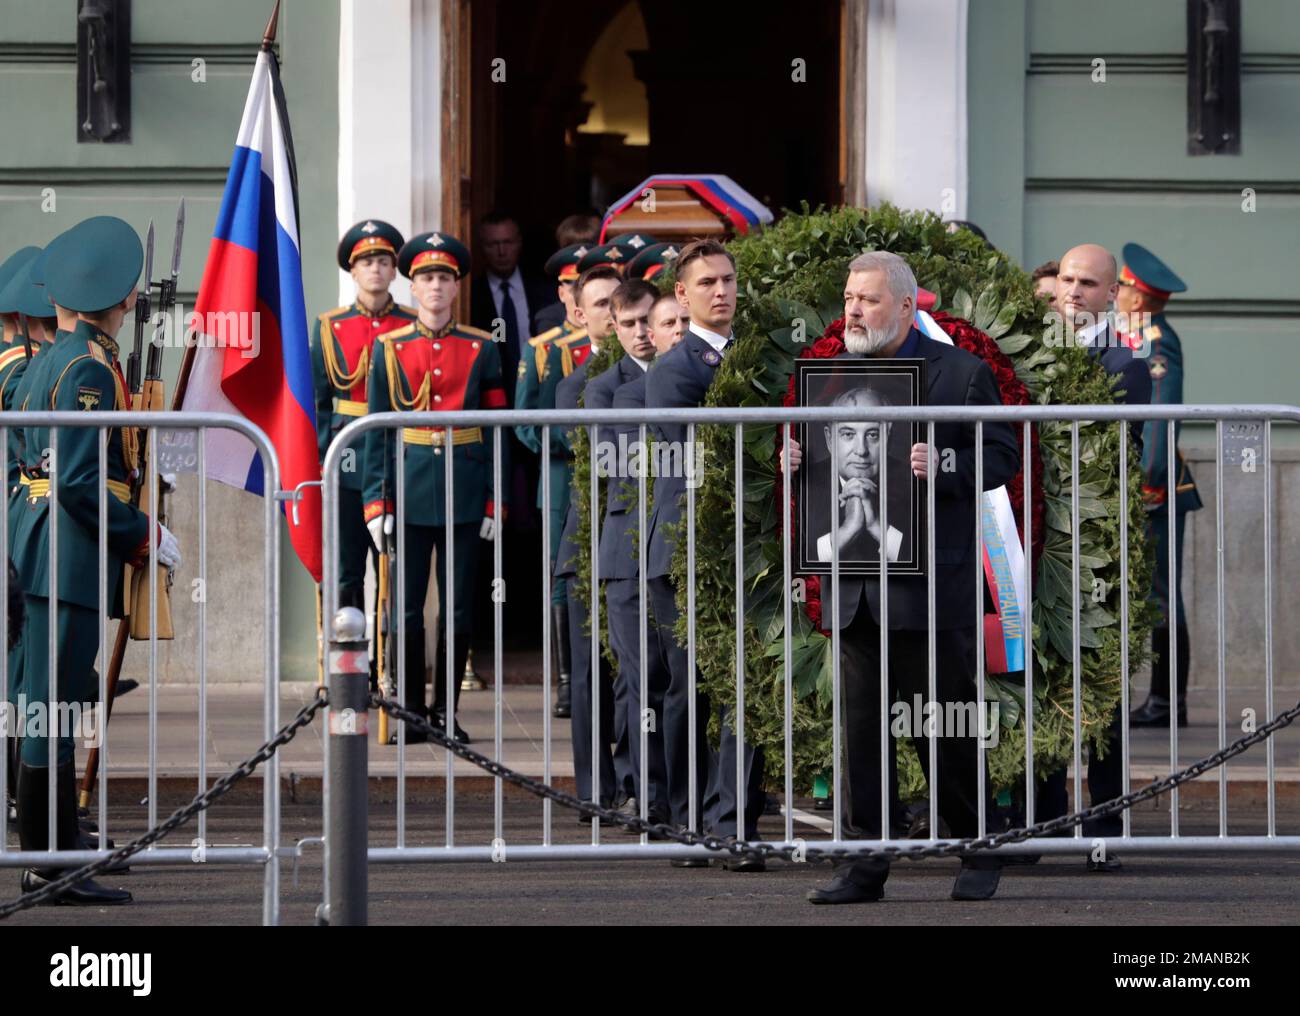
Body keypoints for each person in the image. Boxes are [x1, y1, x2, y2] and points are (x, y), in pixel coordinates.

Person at [787, 251, 1021, 903]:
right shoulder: (828, 376)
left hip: (931, 587)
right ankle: (865, 865)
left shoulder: (961, 371)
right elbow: (827, 473)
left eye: (867, 299)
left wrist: (941, 464)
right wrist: (796, 459)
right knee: (862, 731)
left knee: (941, 723)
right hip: (856, 580)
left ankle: (977, 850)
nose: (853, 310)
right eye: (848, 298)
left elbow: (1001, 455)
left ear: (907, 306)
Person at [9, 215, 183, 905]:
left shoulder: (53, 356)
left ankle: (61, 849)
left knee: (47, 701)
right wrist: (142, 531)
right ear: (124, 297)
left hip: (42, 545)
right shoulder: (85, 367)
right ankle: (50, 867)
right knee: (49, 706)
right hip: (67, 552)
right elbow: (78, 480)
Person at [643, 239, 766, 871]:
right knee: (690, 691)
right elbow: (697, 459)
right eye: (707, 283)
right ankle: (694, 824)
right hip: (688, 551)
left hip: (745, 554)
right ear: (683, 296)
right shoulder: (675, 369)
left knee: (743, 689)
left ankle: (736, 825)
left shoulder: (757, 358)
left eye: (728, 279)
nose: (722, 291)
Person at [363, 231, 508, 744]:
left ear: (455, 286)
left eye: (444, 277)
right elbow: (377, 430)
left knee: (458, 606)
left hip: (465, 487)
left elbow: (496, 427)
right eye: (426, 278)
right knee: (403, 606)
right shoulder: (387, 349)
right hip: (406, 486)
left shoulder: (481, 347)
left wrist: (495, 496)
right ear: (414, 285)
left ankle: (446, 710)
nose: (436, 286)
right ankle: (408, 711)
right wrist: (375, 499)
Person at [1038, 242, 1153, 870]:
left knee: (1100, 687)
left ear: (1112, 295)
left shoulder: (1126, 361)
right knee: (1044, 679)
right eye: (1066, 279)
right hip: (1042, 539)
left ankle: (1104, 824)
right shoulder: (1032, 354)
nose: (1074, 291)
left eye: (1088, 283)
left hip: (1100, 546)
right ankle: (1050, 818)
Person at [310, 220, 416, 684]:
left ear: (395, 270)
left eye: (384, 261)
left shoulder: (411, 325)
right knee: (347, 571)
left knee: (393, 573)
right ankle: (349, 670)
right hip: (347, 455)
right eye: (366, 261)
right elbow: (316, 399)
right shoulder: (331, 327)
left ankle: (388, 669)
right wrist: (321, 458)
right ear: (353, 272)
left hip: (397, 455)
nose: (376, 268)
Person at [553, 265, 636, 817]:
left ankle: (634, 776)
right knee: (588, 671)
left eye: (619, 303)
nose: (610, 312)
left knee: (636, 668)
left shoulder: (649, 372)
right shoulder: (574, 382)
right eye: (600, 303)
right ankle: (594, 785)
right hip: (587, 537)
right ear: (580, 314)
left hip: (634, 537)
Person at [593, 278, 670, 825]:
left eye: (651, 319)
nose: (644, 333)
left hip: (674, 545)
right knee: (642, 680)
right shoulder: (607, 389)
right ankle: (651, 797)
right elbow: (620, 461)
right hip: (625, 549)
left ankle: (680, 797)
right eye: (632, 323)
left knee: (678, 679)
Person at [1117, 243, 1201, 729]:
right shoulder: (1134, 336)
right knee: (1153, 593)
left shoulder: (1156, 341)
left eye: (1124, 287)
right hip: (1145, 484)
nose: (1119, 293)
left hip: (1156, 487)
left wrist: (1147, 480)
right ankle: (1164, 700)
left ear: (1140, 297)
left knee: (1161, 595)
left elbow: (1161, 421)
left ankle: (1168, 702)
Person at [513, 244, 590, 719]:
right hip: (561, 474)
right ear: (561, 292)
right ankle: (566, 681)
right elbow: (524, 419)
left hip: (607, 468)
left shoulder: (619, 340)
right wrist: (559, 445)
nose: (576, 293)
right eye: (568, 285)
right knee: (562, 576)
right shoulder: (544, 349)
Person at [810, 387, 908, 564]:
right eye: (848, 434)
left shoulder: (911, 482)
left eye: (872, 435)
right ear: (830, 439)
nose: (861, 450)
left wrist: (876, 526)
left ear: (888, 437)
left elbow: (926, 560)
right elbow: (795, 562)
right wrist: (848, 529)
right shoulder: (806, 480)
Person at [469, 211, 553, 395]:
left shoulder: (544, 291)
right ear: (481, 247)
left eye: (507, 242)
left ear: (519, 243)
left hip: (541, 386)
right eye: (493, 244)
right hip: (493, 391)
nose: (501, 251)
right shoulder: (470, 297)